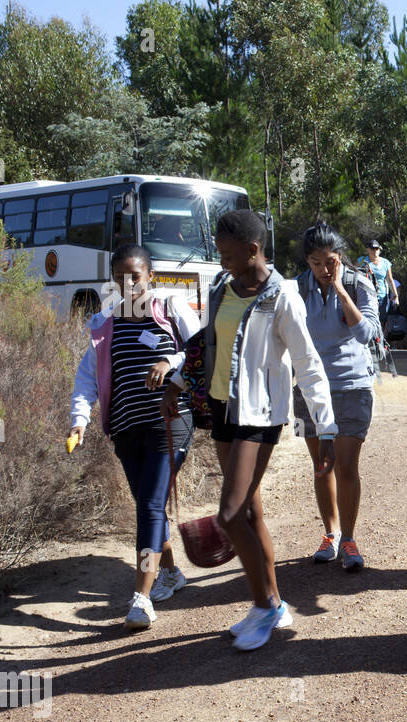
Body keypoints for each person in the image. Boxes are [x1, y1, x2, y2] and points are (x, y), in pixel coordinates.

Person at [160, 209, 337, 652]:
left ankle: (264, 605)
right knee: (251, 514)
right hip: (222, 410)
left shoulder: (283, 297)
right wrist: (178, 382)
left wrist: (326, 426)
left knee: (230, 514)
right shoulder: (223, 286)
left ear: (253, 250)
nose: (220, 259)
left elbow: (308, 363)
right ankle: (274, 604)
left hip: (259, 416)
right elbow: (206, 343)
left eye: (226, 252)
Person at [69, 244, 201, 630]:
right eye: (120, 278)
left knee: (148, 506)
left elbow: (198, 349)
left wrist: (169, 362)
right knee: (149, 503)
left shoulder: (169, 308)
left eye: (136, 276)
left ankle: (141, 597)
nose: (129, 284)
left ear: (151, 276)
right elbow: (87, 379)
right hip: (125, 427)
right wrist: (79, 421)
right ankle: (173, 573)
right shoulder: (104, 323)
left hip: (170, 421)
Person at [295, 222, 382, 571]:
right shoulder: (297, 288)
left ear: (340, 257)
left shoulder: (357, 283)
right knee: (322, 466)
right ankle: (329, 534)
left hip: (351, 386)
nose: (322, 269)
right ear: (307, 261)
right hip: (310, 388)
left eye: (329, 261)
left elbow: (368, 334)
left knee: (345, 465)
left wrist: (341, 293)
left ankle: (348, 538)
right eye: (315, 262)